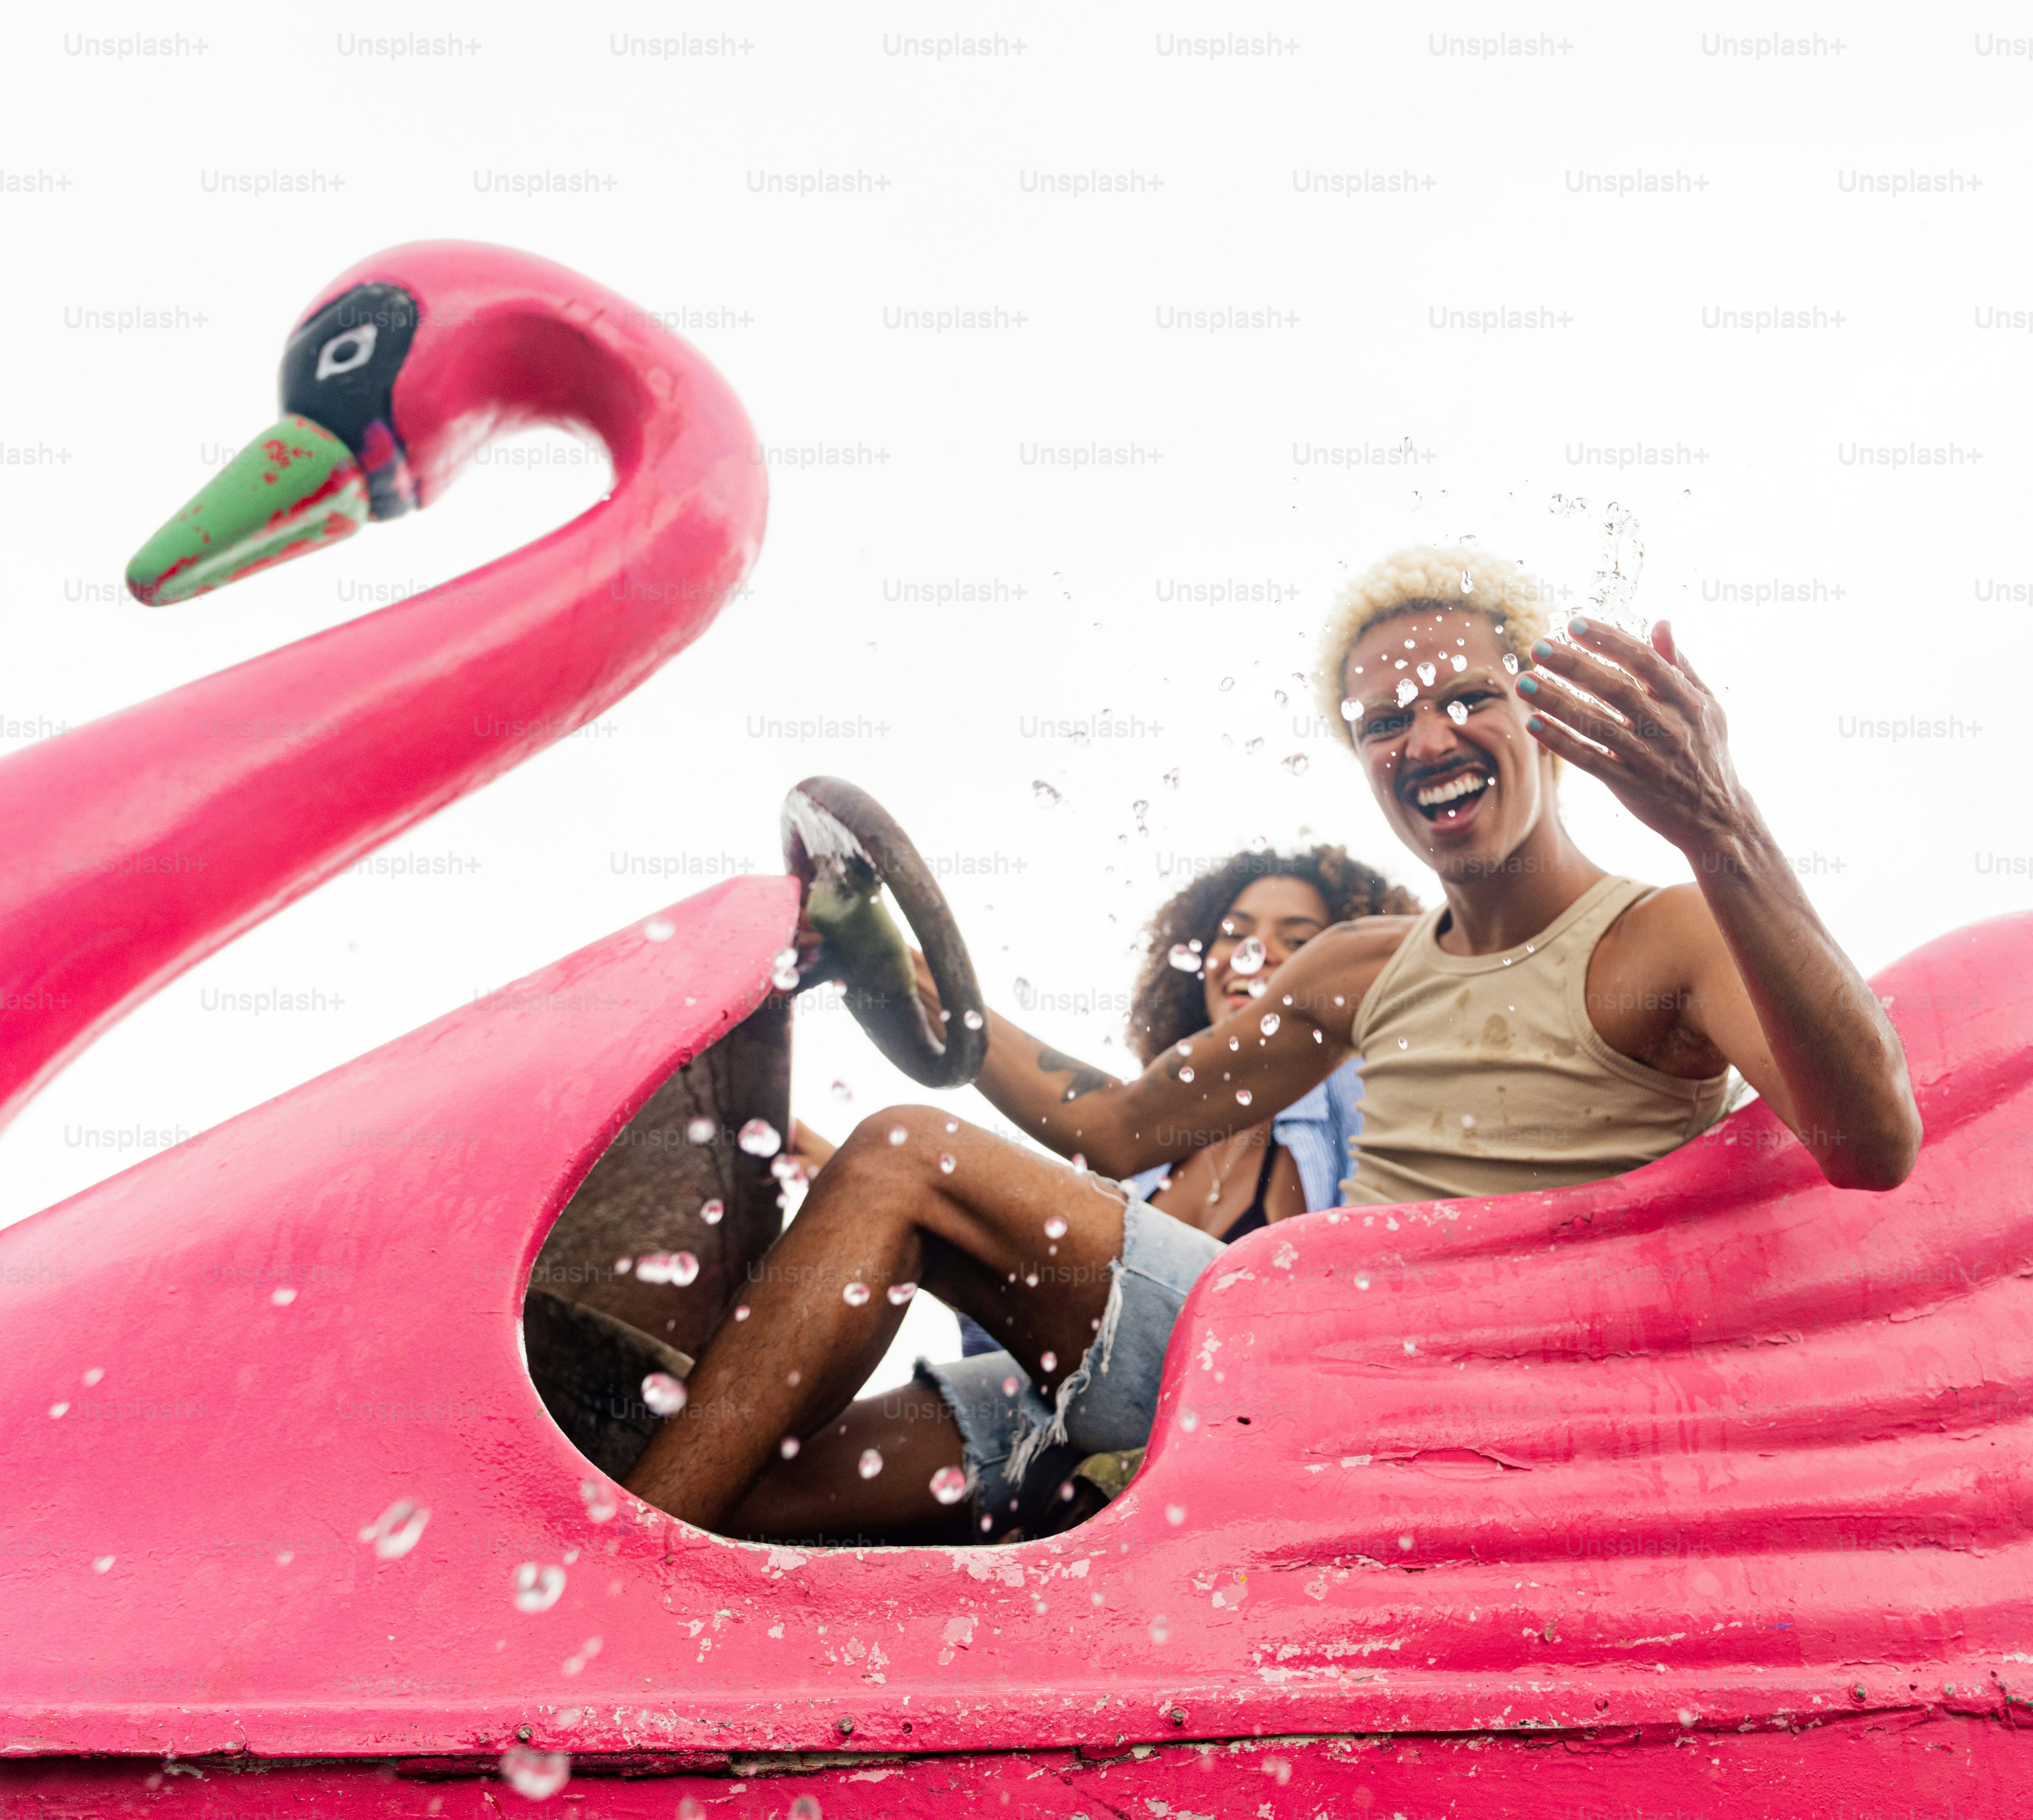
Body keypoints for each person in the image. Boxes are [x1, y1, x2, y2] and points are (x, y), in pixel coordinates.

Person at [627, 544, 1921, 1544]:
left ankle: (597, 1560)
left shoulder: (1670, 933)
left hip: (1438, 1402)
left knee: (906, 1150)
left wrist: (1721, 825)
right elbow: (1113, 1129)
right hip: (1292, 1351)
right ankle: (616, 1568)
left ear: (1549, 722)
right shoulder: (1363, 968)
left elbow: (1872, 1143)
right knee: (762, 1492)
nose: (1427, 737)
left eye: (1472, 694)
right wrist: (898, 977)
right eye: (1383, 719)